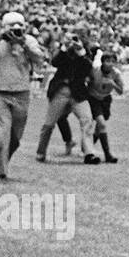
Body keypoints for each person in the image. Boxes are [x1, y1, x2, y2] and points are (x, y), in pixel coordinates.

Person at [0, 11, 48, 180]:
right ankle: (2, 172)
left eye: (20, 25)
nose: (16, 29)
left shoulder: (29, 40)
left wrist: (24, 44)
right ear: (4, 27)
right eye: (11, 26)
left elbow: (40, 59)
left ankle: (1, 163)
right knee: (1, 136)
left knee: (15, 138)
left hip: (21, 93)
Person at [36, 30, 98, 164]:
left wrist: (81, 52)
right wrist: (64, 47)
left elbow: (87, 69)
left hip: (78, 93)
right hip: (61, 90)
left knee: (87, 120)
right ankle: (41, 152)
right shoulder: (63, 52)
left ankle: (89, 153)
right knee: (49, 124)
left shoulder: (86, 54)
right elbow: (55, 62)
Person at [87, 52, 123, 163]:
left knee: (99, 128)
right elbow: (87, 82)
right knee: (102, 124)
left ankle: (87, 147)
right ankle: (108, 155)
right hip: (94, 99)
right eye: (108, 61)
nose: (110, 64)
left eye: (113, 61)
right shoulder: (95, 71)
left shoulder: (116, 74)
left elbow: (120, 91)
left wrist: (113, 84)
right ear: (102, 62)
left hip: (106, 100)